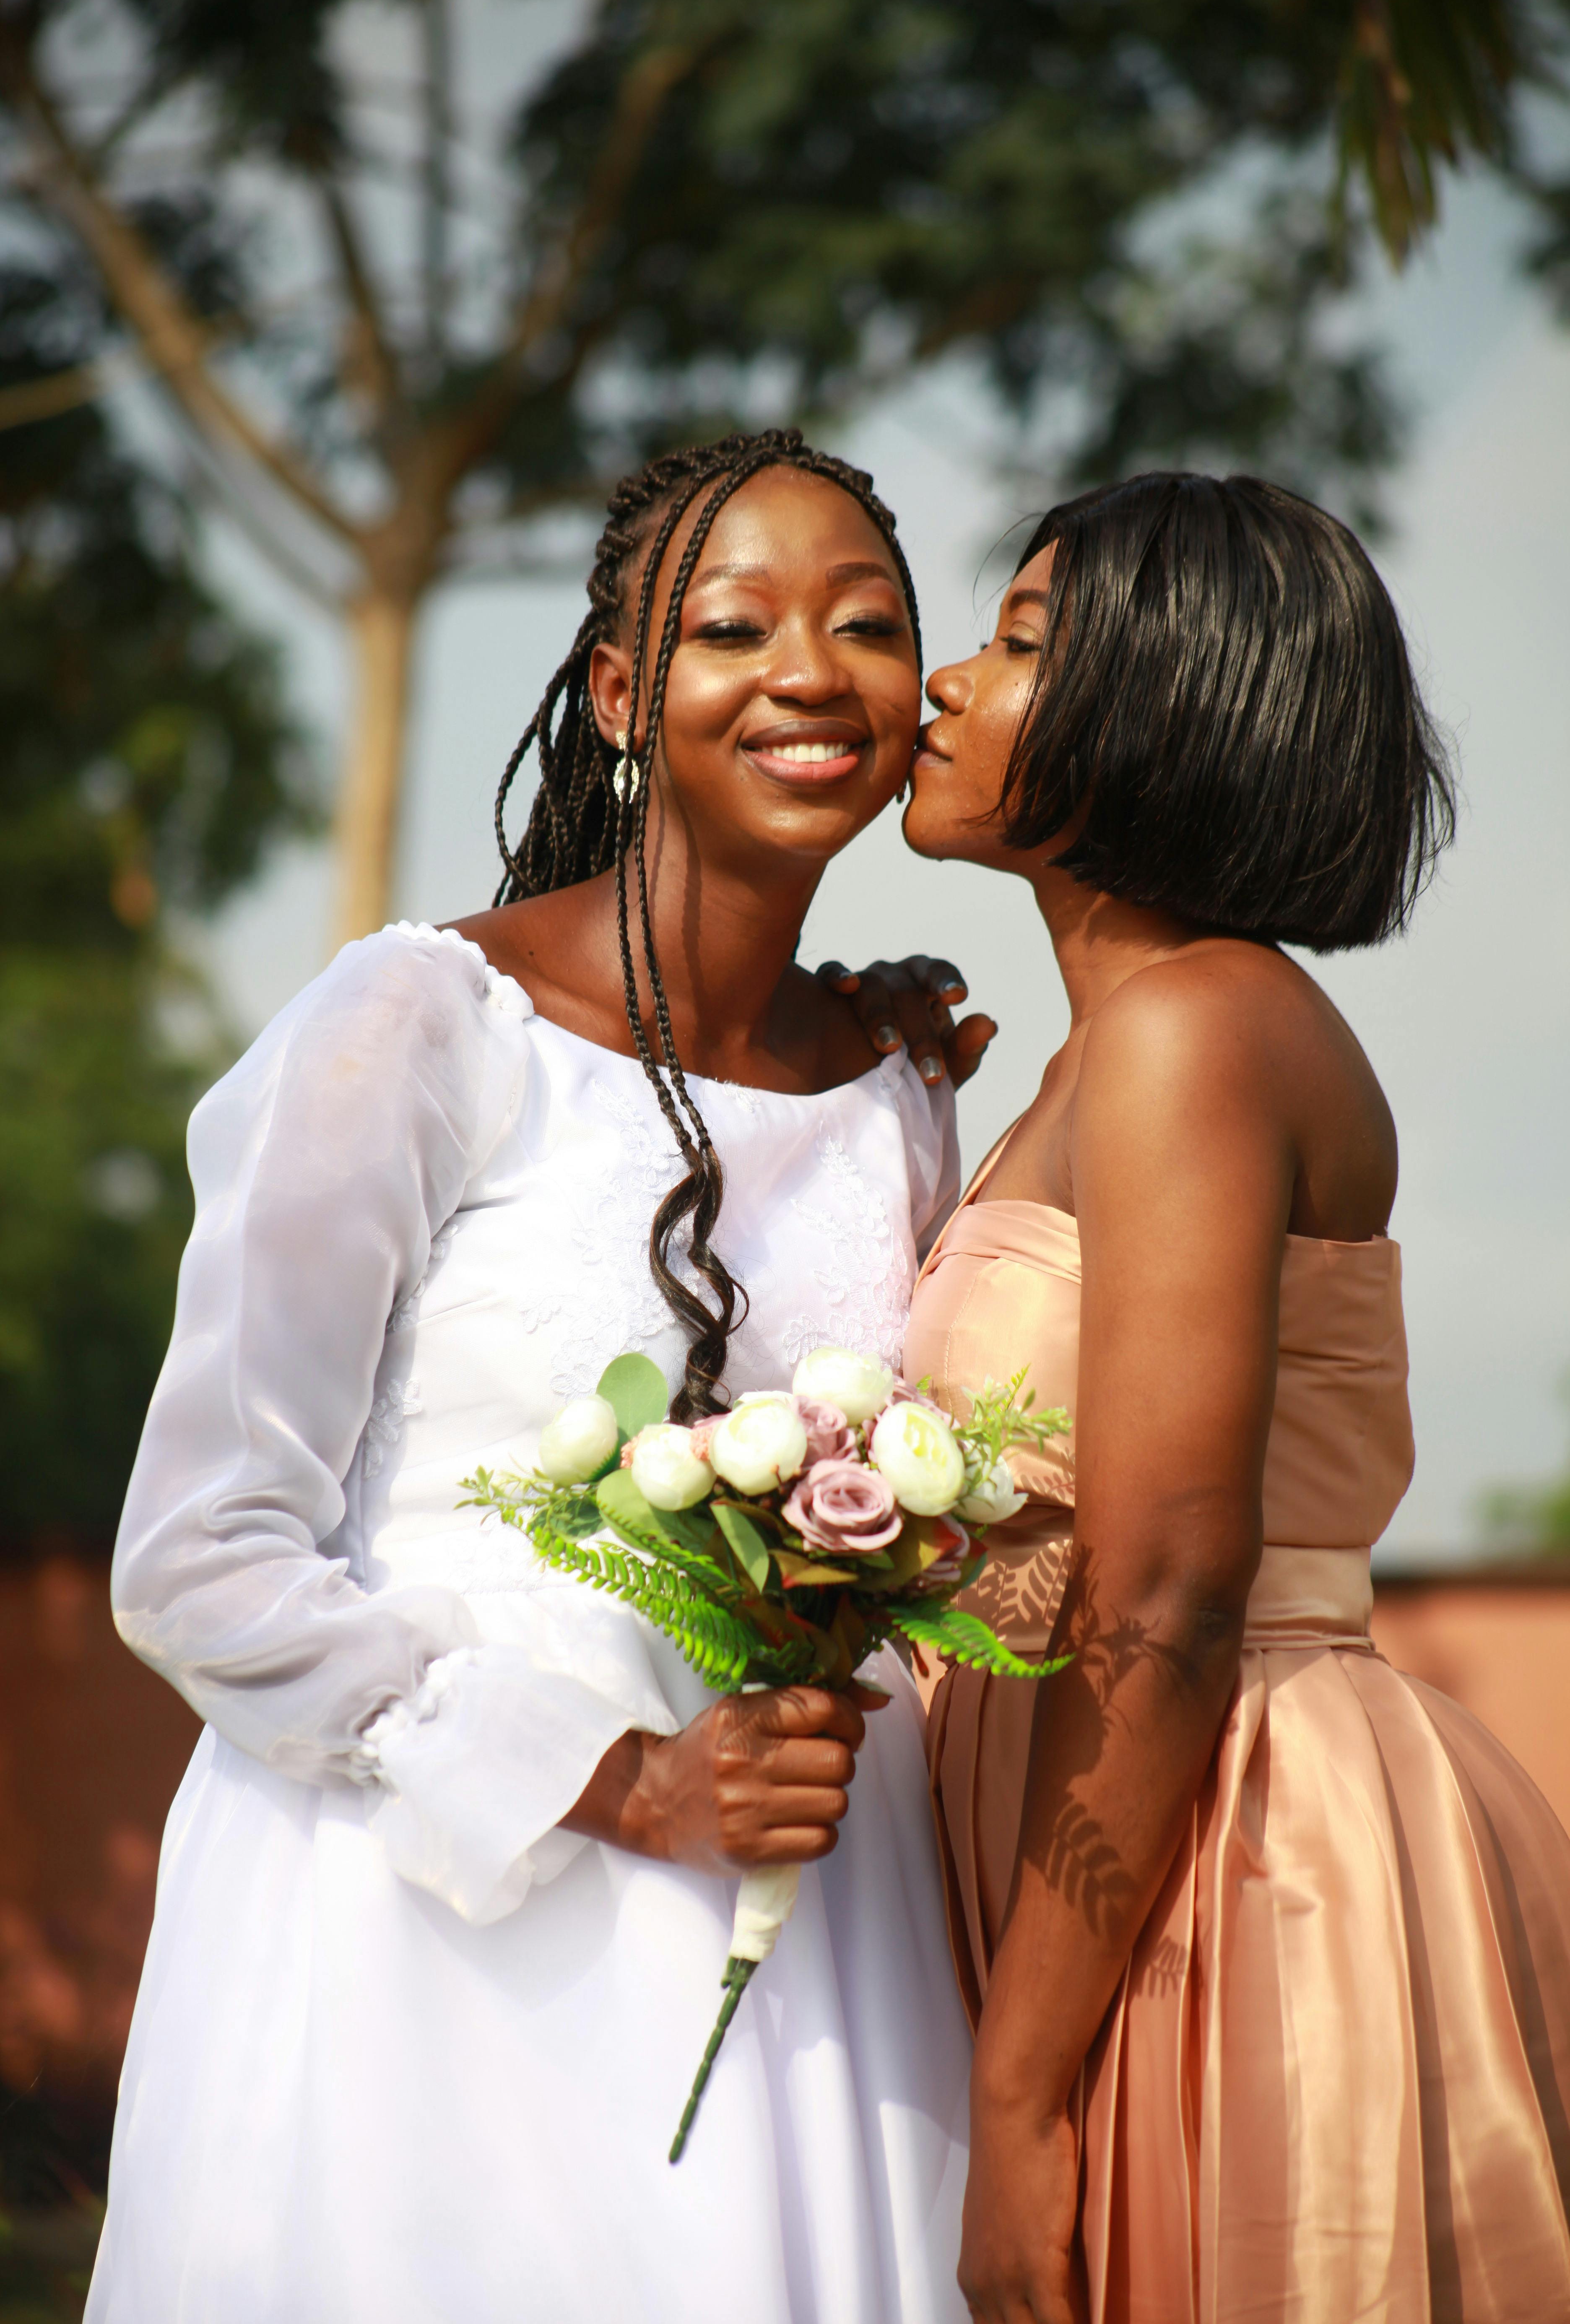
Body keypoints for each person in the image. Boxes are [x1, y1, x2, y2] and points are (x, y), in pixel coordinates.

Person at [89, 429, 988, 2324]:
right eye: (735, 628)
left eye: (867, 626)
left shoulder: (902, 1090)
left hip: (817, 1941)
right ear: (619, 697)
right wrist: (623, 1782)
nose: (812, 674)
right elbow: (199, 1559)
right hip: (426, 1940)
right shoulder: (415, 1025)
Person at [901, 472, 1570, 2323]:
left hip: (1217, 1850)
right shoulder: (1094, 1057)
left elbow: (1174, 1588)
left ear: (1163, 707)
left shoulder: (1193, 1031)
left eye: (1019, 644)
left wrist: (1020, 2099)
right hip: (1099, 1849)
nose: (946, 680)